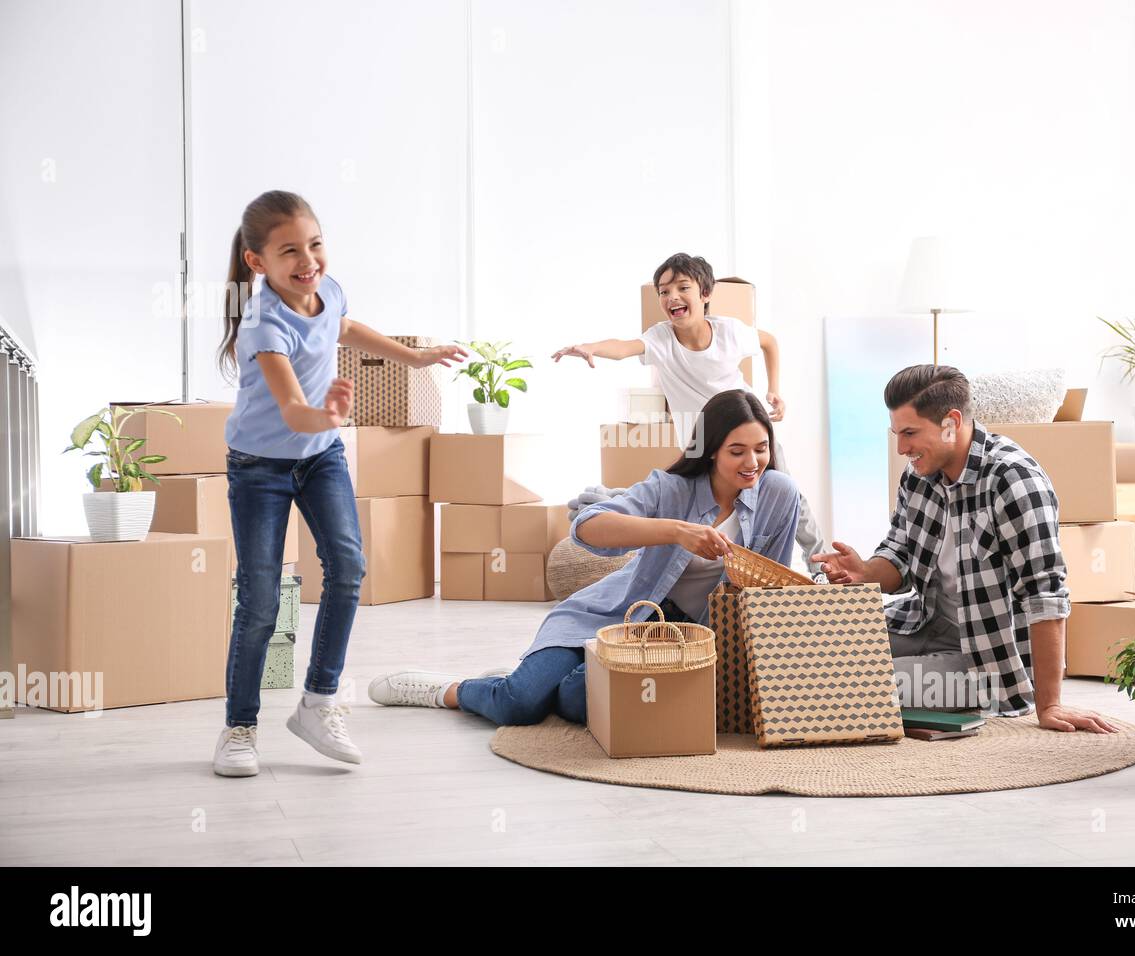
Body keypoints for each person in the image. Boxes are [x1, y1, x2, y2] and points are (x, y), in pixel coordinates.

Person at [213, 189, 466, 776]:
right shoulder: (262, 324)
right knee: (259, 601)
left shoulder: (327, 290)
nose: (308, 261)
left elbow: (344, 327)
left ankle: (318, 704)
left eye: (315, 244)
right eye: (289, 252)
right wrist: (326, 416)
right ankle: (239, 726)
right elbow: (292, 410)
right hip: (259, 467)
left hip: (320, 456)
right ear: (257, 262)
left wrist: (415, 358)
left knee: (348, 567)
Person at [367, 389, 802, 725]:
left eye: (761, 448)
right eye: (737, 451)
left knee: (577, 701)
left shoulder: (779, 494)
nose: (752, 462)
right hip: (615, 615)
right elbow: (588, 526)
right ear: (710, 449)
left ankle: (536, 679)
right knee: (518, 706)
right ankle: (449, 690)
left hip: (686, 638)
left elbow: (772, 588)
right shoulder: (671, 490)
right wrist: (676, 531)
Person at [813, 364, 1118, 733]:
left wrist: (1050, 705)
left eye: (910, 433)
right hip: (923, 623)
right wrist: (864, 571)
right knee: (815, 653)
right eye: (897, 434)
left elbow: (1045, 595)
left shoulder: (1013, 480)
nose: (901, 448)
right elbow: (899, 554)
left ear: (951, 423)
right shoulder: (918, 475)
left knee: (854, 683)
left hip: (987, 664)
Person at [551, 252, 827, 574]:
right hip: (703, 441)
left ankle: (820, 566)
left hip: (748, 432)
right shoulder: (661, 338)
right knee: (690, 499)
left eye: (683, 288)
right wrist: (592, 348)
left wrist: (774, 389)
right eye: (664, 291)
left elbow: (769, 342)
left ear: (705, 293)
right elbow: (624, 347)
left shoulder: (729, 332)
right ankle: (619, 506)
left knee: (787, 495)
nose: (673, 297)